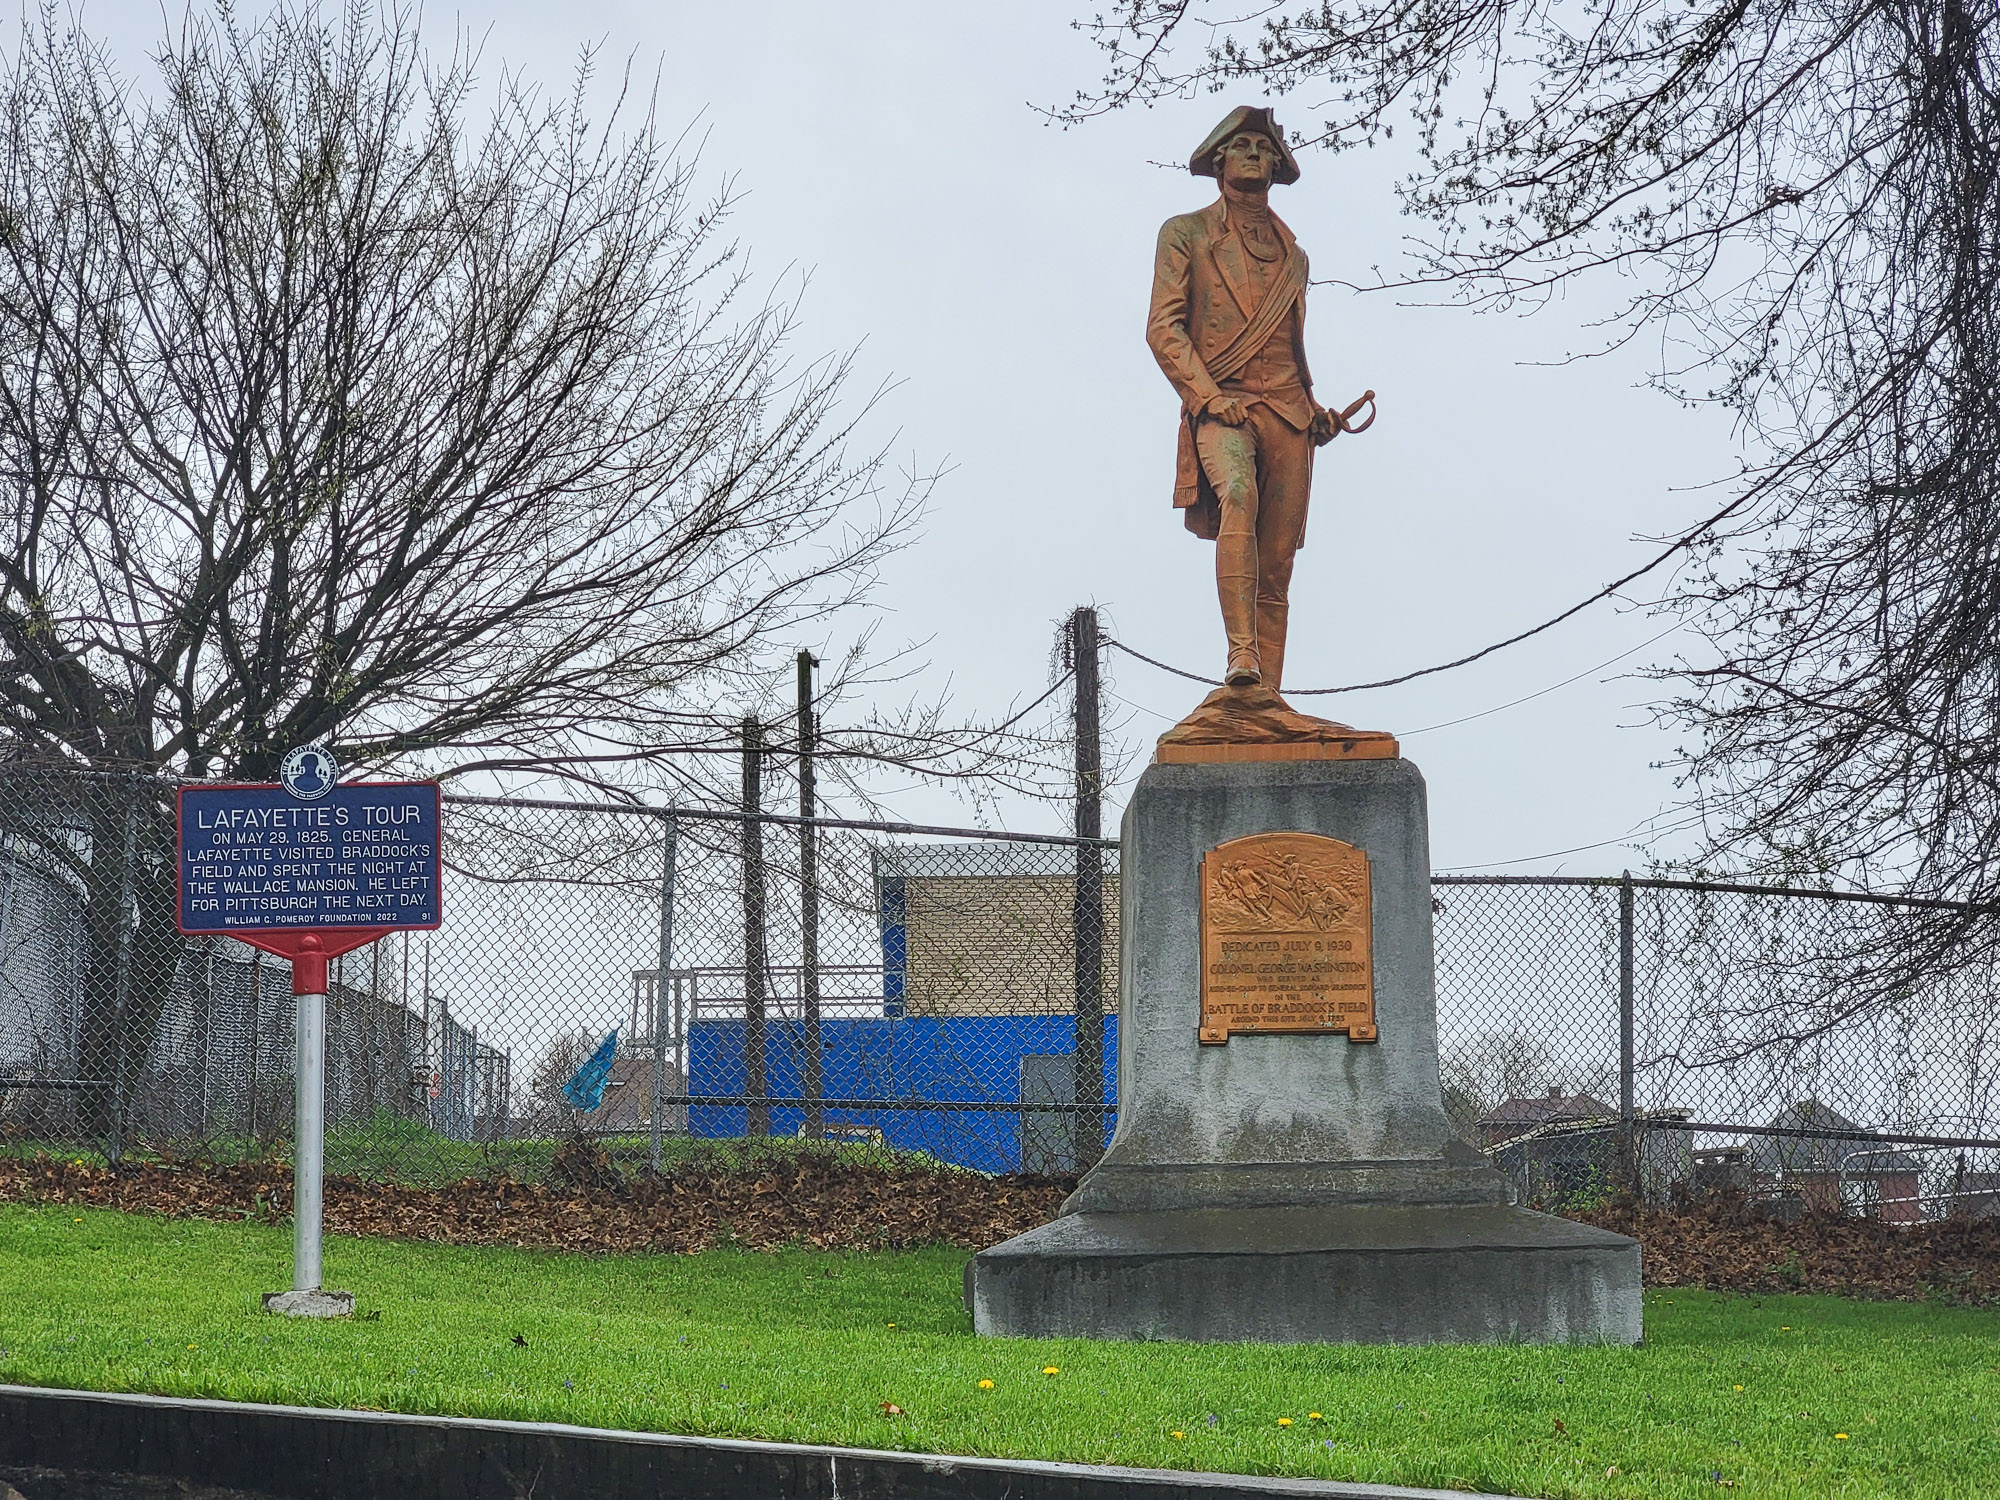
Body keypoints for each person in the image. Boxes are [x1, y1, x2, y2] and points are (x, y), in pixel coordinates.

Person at [1147, 106, 1362, 693]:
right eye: (1241, 145)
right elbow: (1163, 328)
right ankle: (1241, 655)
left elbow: (1289, 344)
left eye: (1264, 148)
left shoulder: (1295, 258)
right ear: (1220, 161)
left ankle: (1268, 692)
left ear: (1277, 165)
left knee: (1279, 558)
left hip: (1289, 412)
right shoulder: (1185, 233)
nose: (1253, 155)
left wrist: (1314, 409)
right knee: (1237, 497)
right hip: (1224, 403)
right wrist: (1206, 397)